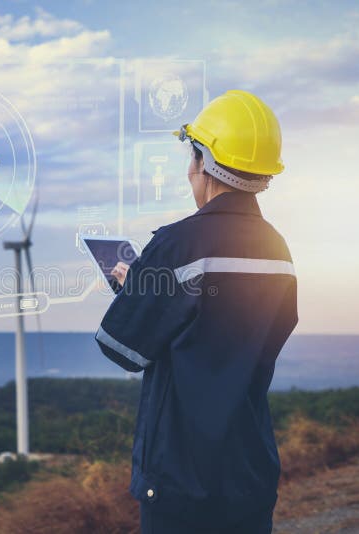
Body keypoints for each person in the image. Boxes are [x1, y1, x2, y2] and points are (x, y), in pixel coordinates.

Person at [95, 89, 298, 533]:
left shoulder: (179, 243)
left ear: (202, 162)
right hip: (249, 471)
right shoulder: (277, 250)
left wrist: (135, 290)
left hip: (181, 478)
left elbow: (123, 348)